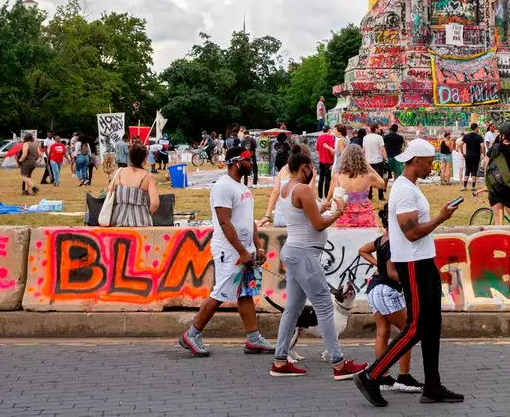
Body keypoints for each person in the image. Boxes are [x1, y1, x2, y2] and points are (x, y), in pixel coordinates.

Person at [354, 138, 463, 407]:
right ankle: (371, 375)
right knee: (415, 326)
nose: (431, 167)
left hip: (423, 261)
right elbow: (412, 233)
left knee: (432, 324)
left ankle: (433, 386)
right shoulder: (404, 191)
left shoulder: (410, 187)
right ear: (415, 161)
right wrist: (441, 218)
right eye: (428, 163)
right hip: (412, 262)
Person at [271, 151, 366, 379]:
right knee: (324, 305)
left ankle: (280, 361)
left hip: (294, 252)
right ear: (303, 167)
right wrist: (338, 213)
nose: (313, 172)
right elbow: (318, 225)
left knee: (292, 309)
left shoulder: (285, 188)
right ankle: (338, 363)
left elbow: (304, 216)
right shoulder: (302, 190)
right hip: (305, 254)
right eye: (311, 168)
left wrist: (323, 208)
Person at [180, 147, 274, 357]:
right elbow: (224, 222)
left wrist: (257, 246)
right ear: (236, 161)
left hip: (244, 249)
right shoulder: (223, 186)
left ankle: (254, 339)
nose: (252, 163)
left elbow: (248, 221)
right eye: (249, 160)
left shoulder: (242, 188)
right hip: (229, 251)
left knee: (245, 293)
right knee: (221, 292)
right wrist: (241, 251)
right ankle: (192, 334)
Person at [357, 207, 424, 393]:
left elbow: (362, 250)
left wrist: (377, 264)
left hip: (374, 290)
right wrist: (412, 280)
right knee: (408, 332)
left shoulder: (381, 240)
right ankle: (404, 377)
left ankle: (382, 378)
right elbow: (392, 272)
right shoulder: (395, 242)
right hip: (387, 291)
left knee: (383, 332)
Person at [329, 145, 386, 228]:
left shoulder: (337, 177)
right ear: (362, 159)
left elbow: (329, 198)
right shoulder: (368, 176)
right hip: (365, 217)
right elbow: (382, 184)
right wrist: (370, 167)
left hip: (344, 217)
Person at [105, 143, 160, 227]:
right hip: (141, 220)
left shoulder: (119, 172)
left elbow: (110, 190)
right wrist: (146, 213)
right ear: (144, 159)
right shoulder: (148, 177)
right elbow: (155, 203)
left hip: (118, 219)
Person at [364, 124, 388, 201]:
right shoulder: (379, 137)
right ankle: (380, 196)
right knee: (379, 178)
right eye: (378, 128)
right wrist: (386, 158)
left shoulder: (365, 137)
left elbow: (364, 149)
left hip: (368, 161)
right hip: (378, 160)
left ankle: (369, 195)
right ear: (376, 129)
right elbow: (382, 149)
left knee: (368, 179)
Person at [461, 123, 484, 192]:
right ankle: (473, 187)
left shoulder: (466, 136)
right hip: (476, 156)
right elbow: (482, 146)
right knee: (474, 170)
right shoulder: (479, 137)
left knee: (467, 170)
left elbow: (460, 144)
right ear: (476, 128)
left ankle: (464, 186)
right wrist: (483, 153)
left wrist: (462, 153)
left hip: (468, 155)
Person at [315, 128, 337, 199]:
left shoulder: (319, 137)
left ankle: (320, 195)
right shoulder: (330, 137)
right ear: (329, 130)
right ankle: (326, 195)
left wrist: (320, 158)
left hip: (321, 161)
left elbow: (317, 151)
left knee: (321, 178)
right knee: (328, 179)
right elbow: (332, 150)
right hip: (329, 161)